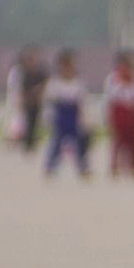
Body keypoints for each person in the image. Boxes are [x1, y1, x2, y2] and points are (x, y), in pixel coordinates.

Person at [42, 48, 92, 179]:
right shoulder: (55, 83)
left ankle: (83, 167)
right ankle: (50, 166)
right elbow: (49, 101)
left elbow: (82, 103)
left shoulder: (78, 83)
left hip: (73, 115)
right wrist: (48, 117)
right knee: (57, 142)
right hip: (61, 115)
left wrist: (85, 119)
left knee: (80, 143)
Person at [104, 50, 134, 178]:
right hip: (119, 111)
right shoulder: (113, 79)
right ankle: (115, 166)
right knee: (118, 141)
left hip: (131, 112)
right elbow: (111, 98)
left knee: (133, 142)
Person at [7, 46, 48, 151]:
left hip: (37, 101)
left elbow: (45, 84)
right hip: (28, 101)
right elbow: (22, 88)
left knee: (35, 122)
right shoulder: (25, 73)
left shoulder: (40, 72)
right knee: (28, 122)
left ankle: (32, 142)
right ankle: (27, 143)